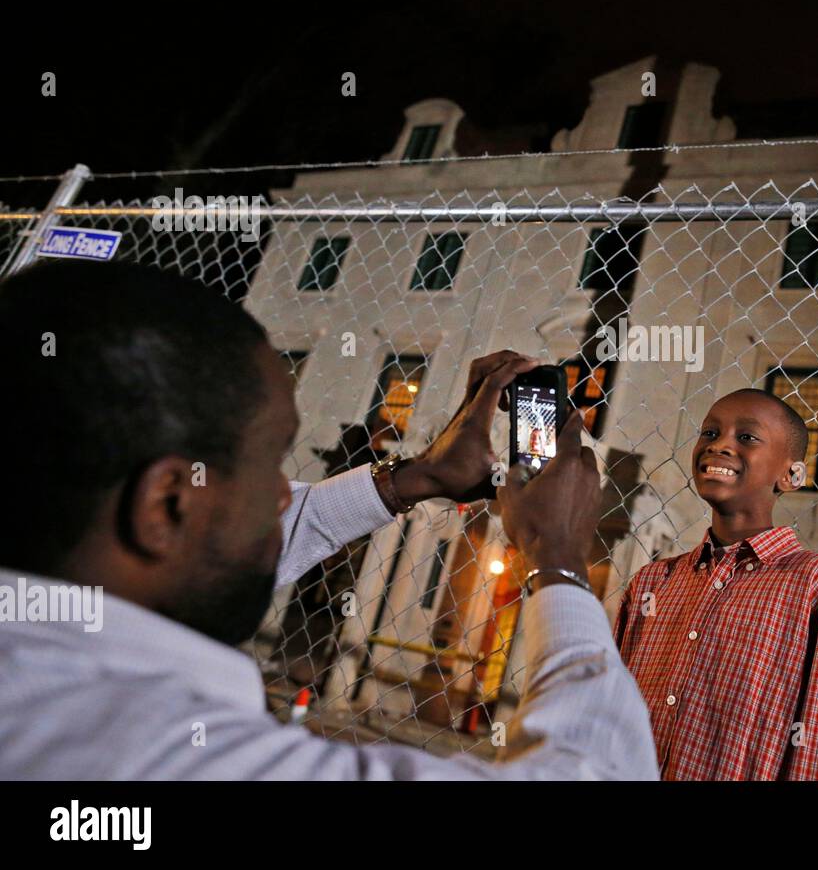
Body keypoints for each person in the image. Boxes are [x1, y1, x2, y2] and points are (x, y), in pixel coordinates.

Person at [0, 260, 656, 780]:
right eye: (271, 463)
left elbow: (237, 534)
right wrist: (558, 553)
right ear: (169, 501)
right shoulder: (157, 753)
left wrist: (415, 478)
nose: (286, 496)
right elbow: (601, 769)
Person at [614, 388, 818, 779]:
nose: (719, 445)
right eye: (709, 433)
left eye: (747, 438)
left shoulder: (814, 585)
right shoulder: (653, 581)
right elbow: (606, 708)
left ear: (790, 474)